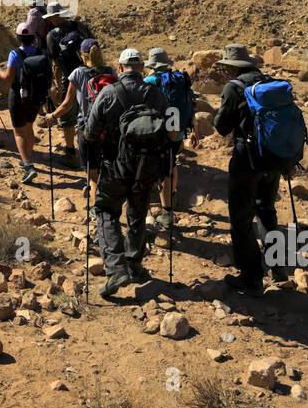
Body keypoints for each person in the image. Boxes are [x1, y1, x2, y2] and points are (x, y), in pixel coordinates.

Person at [85, 48, 173, 300]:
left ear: (120, 66)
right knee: (137, 214)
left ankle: (115, 269)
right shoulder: (156, 94)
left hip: (115, 166)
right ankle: (134, 265)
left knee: (106, 211)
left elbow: (91, 133)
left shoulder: (109, 92)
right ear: (142, 67)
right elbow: (170, 130)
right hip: (147, 167)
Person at [212, 44, 278, 297]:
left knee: (241, 218)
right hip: (273, 159)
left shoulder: (234, 87)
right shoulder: (268, 82)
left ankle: (251, 276)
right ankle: (279, 267)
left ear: (232, 67)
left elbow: (221, 127)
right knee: (266, 210)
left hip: (247, 160)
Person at [43, 38, 116, 205]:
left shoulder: (78, 73)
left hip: (87, 128)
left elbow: (67, 103)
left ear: (82, 56)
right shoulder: (111, 72)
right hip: (110, 128)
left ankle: (98, 209)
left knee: (92, 175)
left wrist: (52, 116)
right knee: (107, 167)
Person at [143, 48, 196, 231]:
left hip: (160, 131)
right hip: (179, 129)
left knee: (161, 166)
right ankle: (173, 193)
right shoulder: (180, 78)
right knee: (172, 161)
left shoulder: (152, 80)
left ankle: (165, 208)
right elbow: (191, 101)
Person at [0, 21, 52, 184]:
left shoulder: (14, 54)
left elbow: (7, 77)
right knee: (28, 127)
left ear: (18, 37)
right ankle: (27, 158)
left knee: (19, 132)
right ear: (33, 37)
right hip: (36, 97)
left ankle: (28, 165)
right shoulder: (40, 53)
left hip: (18, 97)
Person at [46, 6, 96, 166]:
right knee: (92, 112)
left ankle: (70, 153)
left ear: (52, 17)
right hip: (92, 74)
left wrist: (58, 83)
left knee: (67, 115)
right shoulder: (80, 27)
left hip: (71, 77)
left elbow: (55, 63)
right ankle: (93, 151)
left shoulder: (52, 35)